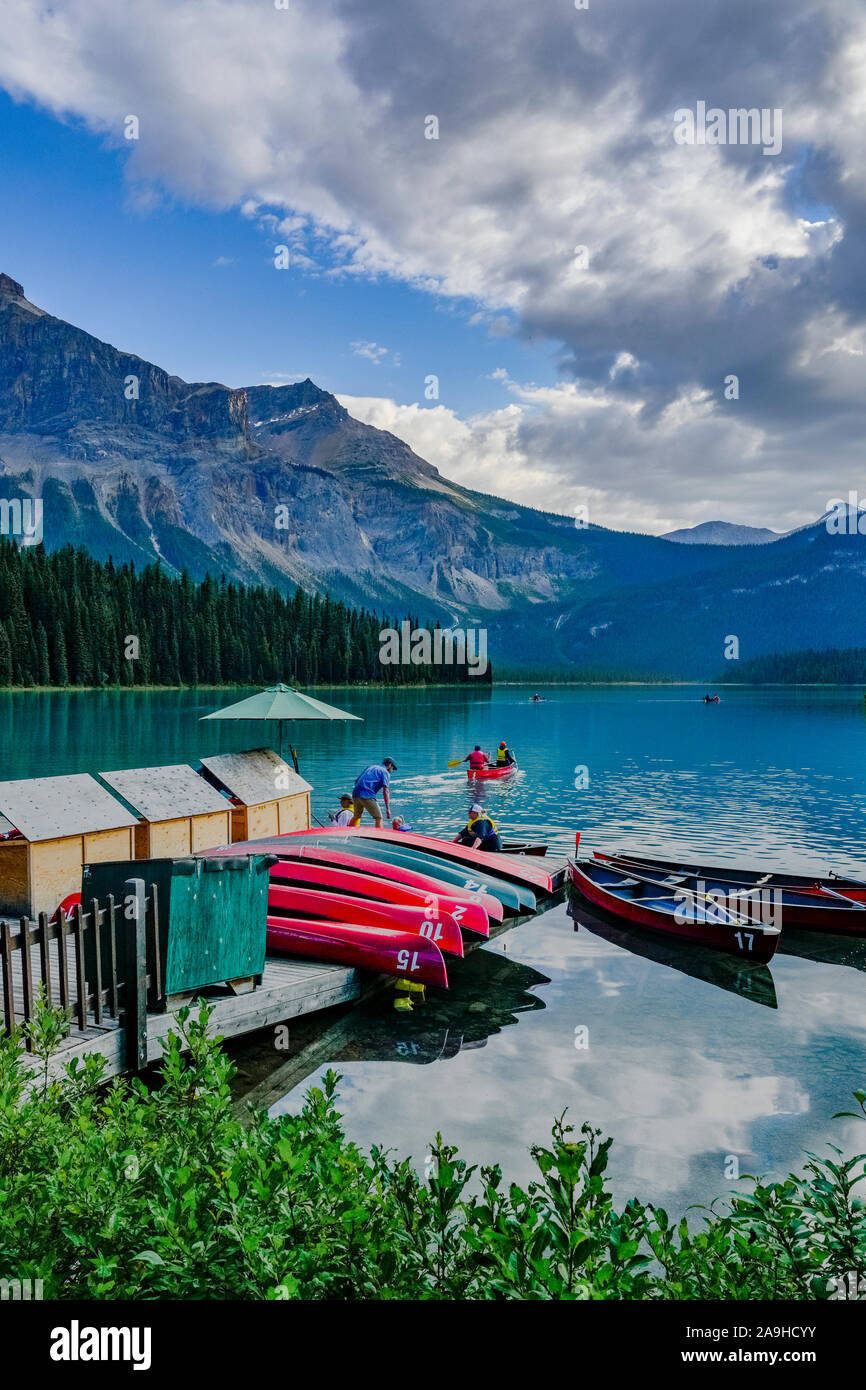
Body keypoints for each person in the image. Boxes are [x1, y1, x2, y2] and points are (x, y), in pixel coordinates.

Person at [352, 756, 397, 827]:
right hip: (367, 794)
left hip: (355, 793)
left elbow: (356, 781)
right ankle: (379, 836)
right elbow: (386, 791)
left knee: (356, 816)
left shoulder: (370, 767)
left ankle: (348, 832)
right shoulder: (385, 772)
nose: (391, 770)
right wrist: (388, 809)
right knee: (378, 818)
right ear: (390, 765)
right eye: (392, 768)